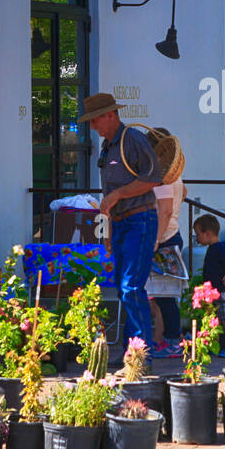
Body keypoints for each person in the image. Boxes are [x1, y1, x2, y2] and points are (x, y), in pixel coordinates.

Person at [79, 92, 162, 360]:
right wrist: (108, 233)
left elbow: (153, 179)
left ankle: (141, 355)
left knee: (130, 286)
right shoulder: (107, 146)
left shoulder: (133, 139)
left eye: (94, 120)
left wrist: (117, 195)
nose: (92, 127)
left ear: (110, 115)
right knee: (123, 286)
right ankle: (132, 350)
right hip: (121, 223)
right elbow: (110, 194)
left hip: (140, 220)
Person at [151, 131, 186, 359]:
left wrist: (155, 239)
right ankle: (170, 339)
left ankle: (174, 341)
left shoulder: (164, 176)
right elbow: (184, 192)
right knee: (165, 295)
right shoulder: (175, 175)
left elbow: (164, 211)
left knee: (165, 296)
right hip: (172, 235)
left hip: (165, 239)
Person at [193, 214, 225, 358]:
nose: (197, 238)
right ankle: (215, 345)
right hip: (214, 291)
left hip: (224, 291)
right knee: (214, 319)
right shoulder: (212, 248)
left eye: (198, 234)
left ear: (208, 233)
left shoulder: (220, 247)